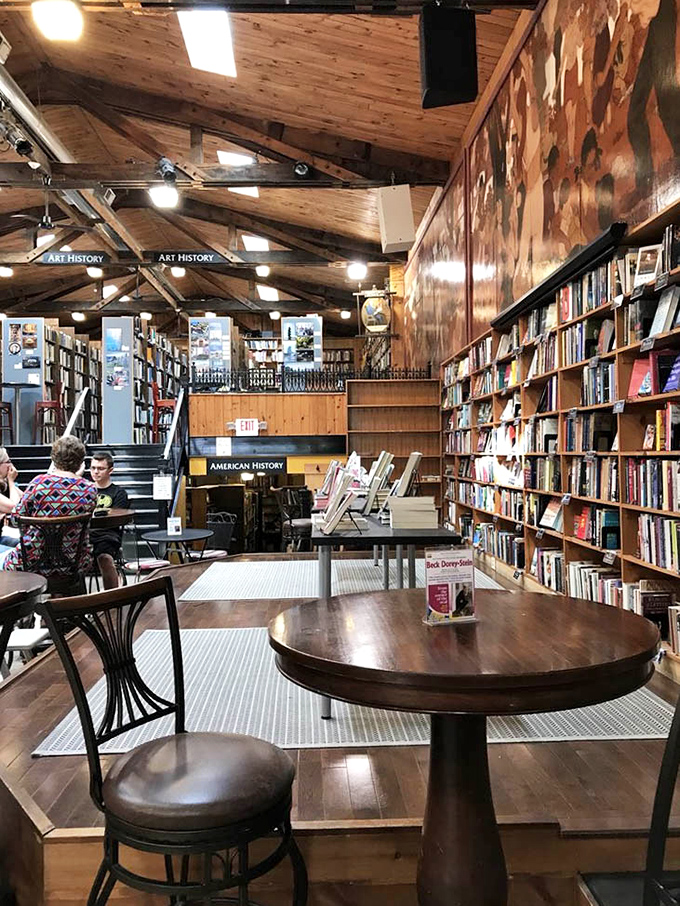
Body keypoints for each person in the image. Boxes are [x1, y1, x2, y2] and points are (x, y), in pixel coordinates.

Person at [2, 436, 97, 576]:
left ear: (54, 458)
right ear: (81, 462)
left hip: (32, 562)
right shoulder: (90, 489)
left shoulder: (39, 484)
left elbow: (16, 520)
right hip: (73, 564)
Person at [89, 451, 130, 589]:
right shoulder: (85, 490)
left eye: (100, 468)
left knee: (104, 558)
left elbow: (115, 519)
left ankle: (111, 597)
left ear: (110, 470)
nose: (96, 472)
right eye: (93, 468)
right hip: (85, 534)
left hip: (107, 535)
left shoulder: (119, 493)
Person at [0, 448, 22, 555]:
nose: (11, 465)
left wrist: (10, 483)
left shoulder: (3, 485)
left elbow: (25, 498)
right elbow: (16, 508)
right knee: (22, 554)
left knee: (24, 545)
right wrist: (11, 481)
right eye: (8, 462)